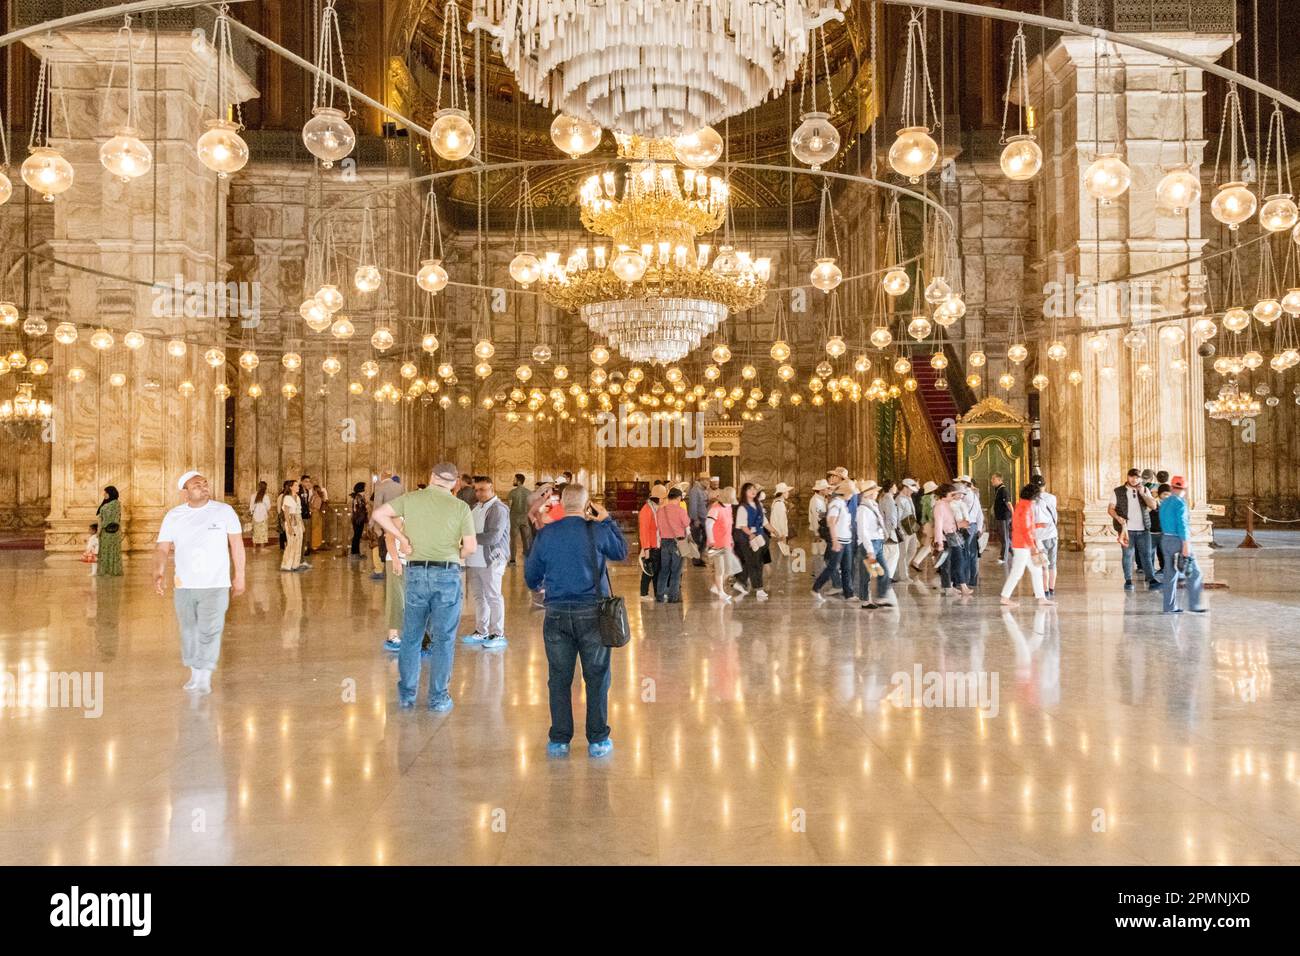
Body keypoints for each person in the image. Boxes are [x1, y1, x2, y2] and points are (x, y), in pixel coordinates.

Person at [524, 484, 627, 758]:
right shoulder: (597, 530)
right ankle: (597, 740)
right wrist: (606, 519)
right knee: (596, 676)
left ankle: (559, 740)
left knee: (559, 677)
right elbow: (621, 552)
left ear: (561, 504)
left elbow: (531, 575)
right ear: (586, 505)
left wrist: (542, 584)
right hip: (592, 612)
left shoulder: (547, 534)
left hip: (557, 613)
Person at [372, 462, 477, 711]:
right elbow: (471, 548)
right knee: (443, 639)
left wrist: (402, 539)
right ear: (454, 483)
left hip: (417, 571)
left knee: (411, 636)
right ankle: (438, 697)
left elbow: (378, 515)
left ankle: (407, 694)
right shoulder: (460, 506)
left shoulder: (411, 499)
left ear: (431, 477)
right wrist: (456, 552)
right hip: (448, 575)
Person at [154, 469, 245, 694]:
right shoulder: (174, 516)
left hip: (216, 583)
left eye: (205, 483)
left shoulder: (224, 511)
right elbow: (162, 547)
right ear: (185, 492)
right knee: (188, 629)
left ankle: (204, 675)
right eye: (196, 485)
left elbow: (236, 544)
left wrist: (240, 574)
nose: (203, 487)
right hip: (184, 584)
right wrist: (158, 571)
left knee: (210, 629)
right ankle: (195, 672)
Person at [462, 476, 511, 648]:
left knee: (493, 596)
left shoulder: (498, 509)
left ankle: (497, 632)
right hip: (474, 559)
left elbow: (493, 536)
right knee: (479, 597)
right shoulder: (475, 507)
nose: (479, 493)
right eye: (476, 489)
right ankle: (481, 630)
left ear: (492, 488)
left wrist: (467, 539)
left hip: (491, 559)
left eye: (483, 489)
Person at [1157, 476, 1206, 614]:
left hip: (1165, 540)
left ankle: (1169, 607)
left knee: (1169, 574)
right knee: (1195, 573)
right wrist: (1185, 545)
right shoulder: (1180, 503)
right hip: (1178, 540)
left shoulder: (1165, 502)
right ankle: (1194, 605)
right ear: (1184, 489)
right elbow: (1182, 524)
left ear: (1172, 487)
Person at [1000, 483, 1053, 607]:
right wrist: (1033, 548)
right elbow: (1026, 530)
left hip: (1021, 543)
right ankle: (1005, 597)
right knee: (1017, 572)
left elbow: (1024, 526)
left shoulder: (1021, 505)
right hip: (1023, 545)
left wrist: (1038, 526)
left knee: (1036, 570)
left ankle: (1041, 597)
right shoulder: (1026, 508)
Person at [1108, 467, 1158, 591]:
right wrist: (1118, 518)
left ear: (1140, 478)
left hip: (1143, 529)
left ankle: (1151, 579)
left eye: (1137, 477)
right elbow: (1110, 509)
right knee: (1127, 555)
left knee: (1146, 555)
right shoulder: (1118, 491)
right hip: (1126, 530)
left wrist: (1143, 494)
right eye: (1132, 476)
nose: (1134, 479)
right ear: (1127, 477)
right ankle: (1128, 581)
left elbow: (1153, 505)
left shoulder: (1145, 489)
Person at [812, 480, 855, 601]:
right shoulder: (836, 503)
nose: (852, 494)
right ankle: (816, 588)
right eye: (850, 492)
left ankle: (849, 594)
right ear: (845, 492)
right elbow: (831, 522)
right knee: (832, 566)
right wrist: (835, 541)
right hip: (839, 540)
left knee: (847, 568)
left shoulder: (842, 503)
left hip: (846, 540)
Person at [856, 480, 895, 609]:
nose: (877, 492)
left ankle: (881, 597)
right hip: (869, 545)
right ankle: (865, 600)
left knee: (882, 571)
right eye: (875, 491)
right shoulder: (862, 509)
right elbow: (863, 531)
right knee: (867, 574)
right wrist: (869, 549)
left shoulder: (873, 505)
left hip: (877, 543)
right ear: (869, 493)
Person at [933, 483, 973, 596]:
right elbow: (939, 525)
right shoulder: (939, 506)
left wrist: (959, 525)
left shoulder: (946, 504)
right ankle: (948, 587)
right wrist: (939, 542)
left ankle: (950, 586)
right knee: (947, 564)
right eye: (952, 494)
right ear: (944, 495)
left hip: (952, 536)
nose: (954, 496)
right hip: (946, 538)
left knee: (953, 562)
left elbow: (950, 522)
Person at [733, 482, 770, 599]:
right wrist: (751, 535)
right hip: (746, 537)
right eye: (750, 489)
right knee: (755, 563)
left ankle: (740, 582)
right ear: (744, 492)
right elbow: (743, 526)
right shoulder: (742, 507)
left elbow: (764, 522)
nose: (753, 491)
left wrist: (775, 531)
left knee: (754, 561)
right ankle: (759, 589)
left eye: (754, 489)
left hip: (758, 536)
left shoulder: (757, 505)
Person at [656, 486, 691, 602]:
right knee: (676, 572)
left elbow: (658, 527)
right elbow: (687, 524)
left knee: (664, 570)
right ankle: (673, 597)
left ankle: (660, 595)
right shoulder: (681, 510)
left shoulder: (660, 510)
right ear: (679, 498)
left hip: (664, 542)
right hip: (678, 543)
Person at [707, 486, 738, 602]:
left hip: (726, 542)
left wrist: (730, 538)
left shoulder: (728, 507)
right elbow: (709, 525)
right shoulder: (715, 508)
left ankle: (716, 587)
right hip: (717, 544)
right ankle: (720, 592)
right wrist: (711, 540)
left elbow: (728, 525)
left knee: (728, 568)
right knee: (720, 569)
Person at [1031, 474, 1059, 597]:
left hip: (1039, 537)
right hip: (1052, 534)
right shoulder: (1052, 498)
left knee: (1042, 565)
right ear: (1044, 485)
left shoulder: (1032, 502)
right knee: (1052, 563)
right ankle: (1052, 589)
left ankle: (1044, 589)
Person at [371, 471, 403, 581]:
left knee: (378, 544)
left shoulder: (380, 487)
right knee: (394, 544)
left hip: (383, 521)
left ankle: (379, 571)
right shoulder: (400, 487)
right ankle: (393, 567)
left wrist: (371, 523)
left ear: (382, 476)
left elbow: (377, 506)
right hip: (397, 521)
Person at [638, 484, 665, 601]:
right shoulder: (646, 510)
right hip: (650, 546)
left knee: (657, 570)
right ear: (658, 498)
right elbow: (643, 531)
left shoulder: (656, 508)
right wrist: (646, 550)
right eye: (663, 498)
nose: (664, 501)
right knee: (648, 571)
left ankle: (657, 592)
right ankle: (643, 594)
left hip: (658, 544)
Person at [911, 480, 939, 573]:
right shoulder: (931, 498)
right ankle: (917, 561)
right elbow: (930, 512)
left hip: (925, 523)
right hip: (930, 523)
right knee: (930, 543)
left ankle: (918, 561)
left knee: (929, 544)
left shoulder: (924, 498)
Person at [96, 485, 123, 577]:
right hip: (112, 532)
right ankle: (108, 571)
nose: (104, 494)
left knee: (108, 551)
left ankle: (109, 571)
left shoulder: (114, 504)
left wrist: (98, 531)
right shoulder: (111, 503)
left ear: (110, 493)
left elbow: (106, 519)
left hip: (108, 531)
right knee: (107, 551)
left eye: (106, 492)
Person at [895, 479, 919, 582]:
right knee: (903, 554)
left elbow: (912, 516)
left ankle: (898, 572)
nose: (912, 491)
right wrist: (900, 531)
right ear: (905, 487)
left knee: (912, 551)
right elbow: (898, 517)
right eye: (911, 489)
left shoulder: (908, 498)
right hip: (904, 531)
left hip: (911, 529)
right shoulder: (900, 500)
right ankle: (903, 576)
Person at [279, 479, 305, 571]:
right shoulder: (287, 498)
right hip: (290, 521)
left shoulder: (297, 497)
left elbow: (299, 512)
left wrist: (302, 524)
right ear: (291, 487)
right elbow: (286, 513)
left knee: (299, 542)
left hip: (297, 520)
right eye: (296, 485)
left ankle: (295, 564)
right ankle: (287, 564)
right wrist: (289, 527)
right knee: (291, 543)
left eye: (298, 485)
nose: (298, 487)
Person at [507, 473, 532, 564]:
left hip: (514, 518)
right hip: (525, 517)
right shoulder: (529, 492)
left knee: (513, 539)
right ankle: (527, 557)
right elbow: (531, 506)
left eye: (514, 479)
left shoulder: (512, 492)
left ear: (518, 481)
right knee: (525, 539)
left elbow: (509, 507)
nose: (513, 481)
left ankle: (513, 560)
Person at [687, 474, 710, 567]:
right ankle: (696, 560)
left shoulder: (703, 490)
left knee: (704, 539)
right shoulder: (695, 490)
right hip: (697, 520)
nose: (708, 483)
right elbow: (693, 506)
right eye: (707, 480)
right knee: (696, 540)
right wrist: (695, 519)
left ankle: (699, 557)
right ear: (701, 480)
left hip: (703, 519)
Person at [991, 473, 1011, 565]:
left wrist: (1013, 516)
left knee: (1004, 537)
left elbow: (1008, 504)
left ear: (999, 480)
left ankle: (1004, 557)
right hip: (999, 516)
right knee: (1003, 536)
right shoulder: (998, 489)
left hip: (1004, 517)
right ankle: (1014, 553)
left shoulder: (1003, 490)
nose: (992, 481)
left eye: (993, 479)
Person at [769, 482, 791, 560]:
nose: (788, 493)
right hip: (780, 534)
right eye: (787, 491)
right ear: (782, 493)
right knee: (782, 556)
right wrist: (783, 535)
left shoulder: (776, 502)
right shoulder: (780, 504)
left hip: (776, 533)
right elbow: (781, 521)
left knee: (778, 555)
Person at [349, 481, 368, 556]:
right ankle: (355, 553)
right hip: (358, 519)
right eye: (365, 487)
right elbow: (359, 509)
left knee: (358, 536)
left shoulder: (359, 497)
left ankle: (356, 552)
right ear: (361, 488)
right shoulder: (359, 497)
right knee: (357, 536)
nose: (366, 489)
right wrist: (365, 507)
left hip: (359, 519)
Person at [249, 481, 271, 549]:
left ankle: (254, 547)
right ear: (265, 488)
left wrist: (252, 512)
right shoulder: (266, 497)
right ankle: (262, 547)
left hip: (255, 516)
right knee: (263, 532)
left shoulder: (253, 496)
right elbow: (268, 507)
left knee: (255, 532)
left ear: (258, 487)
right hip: (263, 516)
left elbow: (251, 507)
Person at [298, 475, 314, 557]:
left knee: (307, 533)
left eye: (309, 481)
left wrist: (309, 510)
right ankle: (301, 550)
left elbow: (307, 502)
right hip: (300, 515)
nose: (308, 483)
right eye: (306, 481)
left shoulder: (307, 491)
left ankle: (307, 548)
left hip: (306, 514)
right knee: (302, 533)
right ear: (301, 482)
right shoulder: (298, 491)